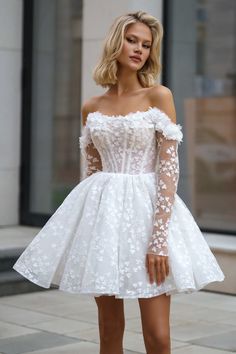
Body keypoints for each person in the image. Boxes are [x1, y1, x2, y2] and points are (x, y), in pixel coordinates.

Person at [13, 11, 225, 354]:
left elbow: (169, 170)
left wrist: (158, 241)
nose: (139, 49)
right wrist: (91, 229)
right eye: (132, 40)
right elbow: (93, 173)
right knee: (109, 330)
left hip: (147, 215)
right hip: (104, 222)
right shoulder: (91, 106)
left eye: (146, 44)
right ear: (115, 42)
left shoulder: (159, 96)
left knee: (157, 335)